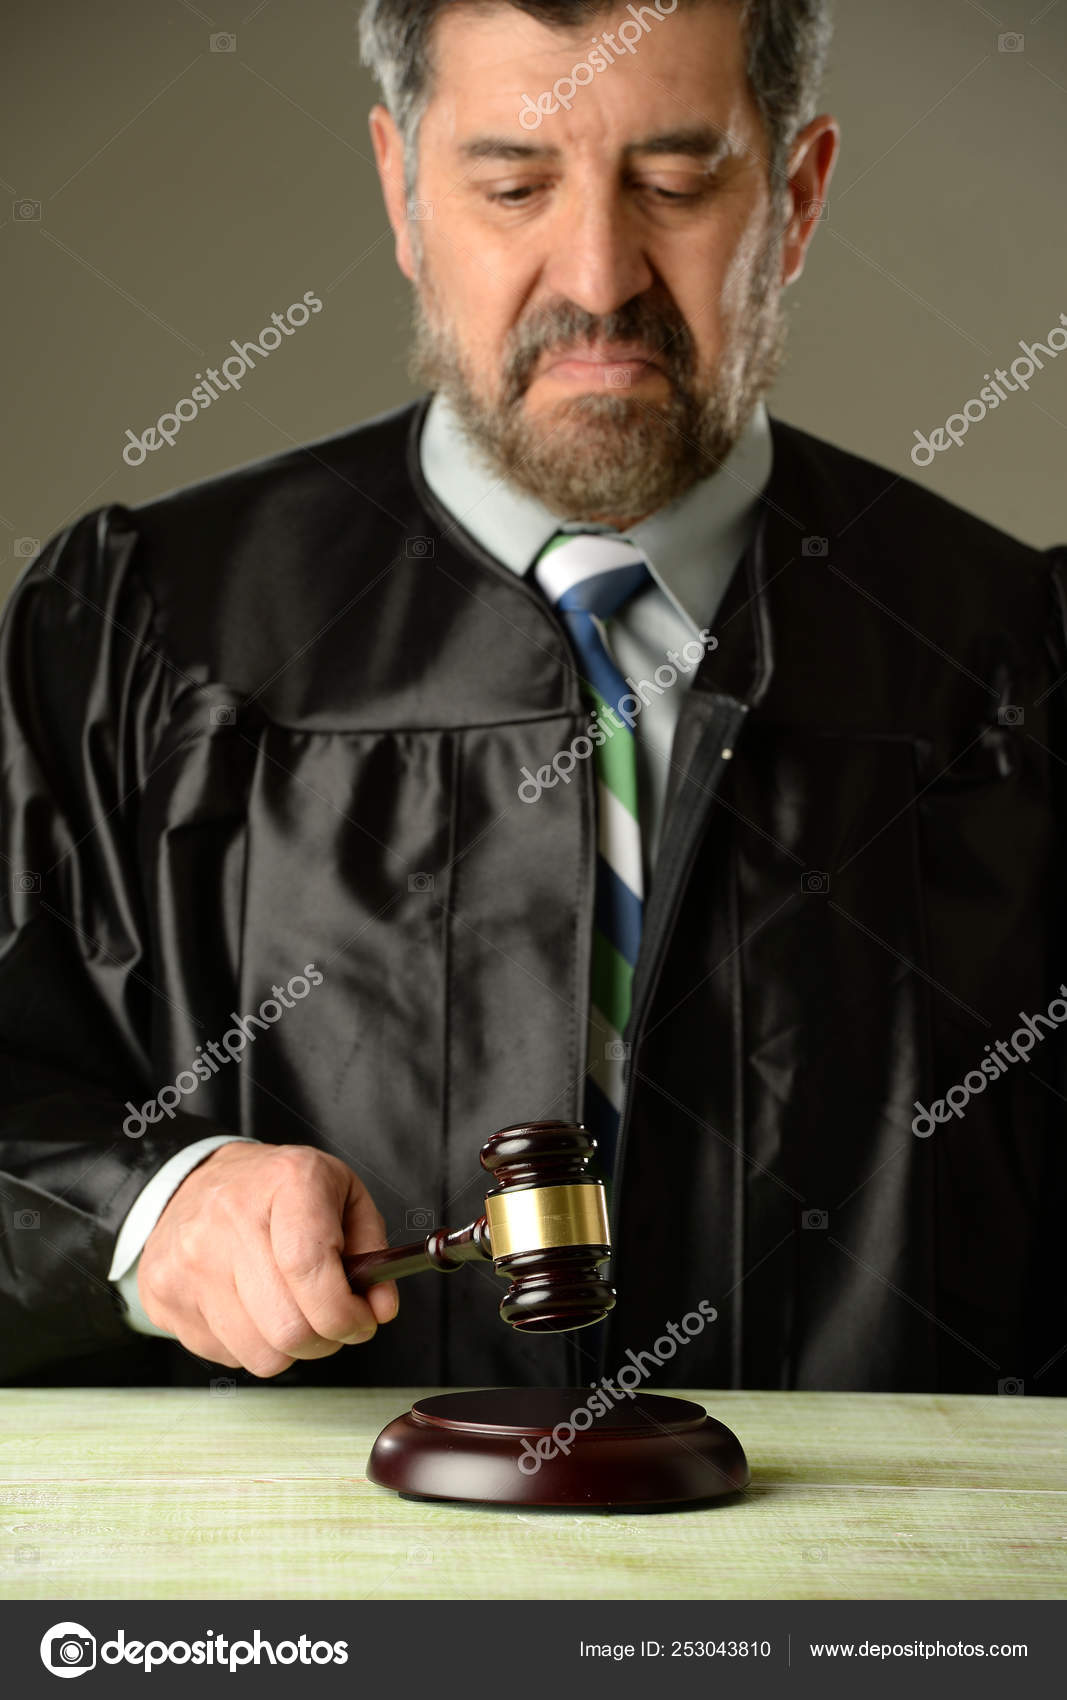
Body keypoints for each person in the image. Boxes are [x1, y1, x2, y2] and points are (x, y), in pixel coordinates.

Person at [2, 0, 1064, 1395]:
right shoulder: (144, 635)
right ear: (402, 192)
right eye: (513, 186)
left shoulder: (1010, 665)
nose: (600, 275)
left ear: (796, 198)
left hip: (852, 1600)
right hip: (314, 1600)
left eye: (676, 184)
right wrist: (146, 1216)